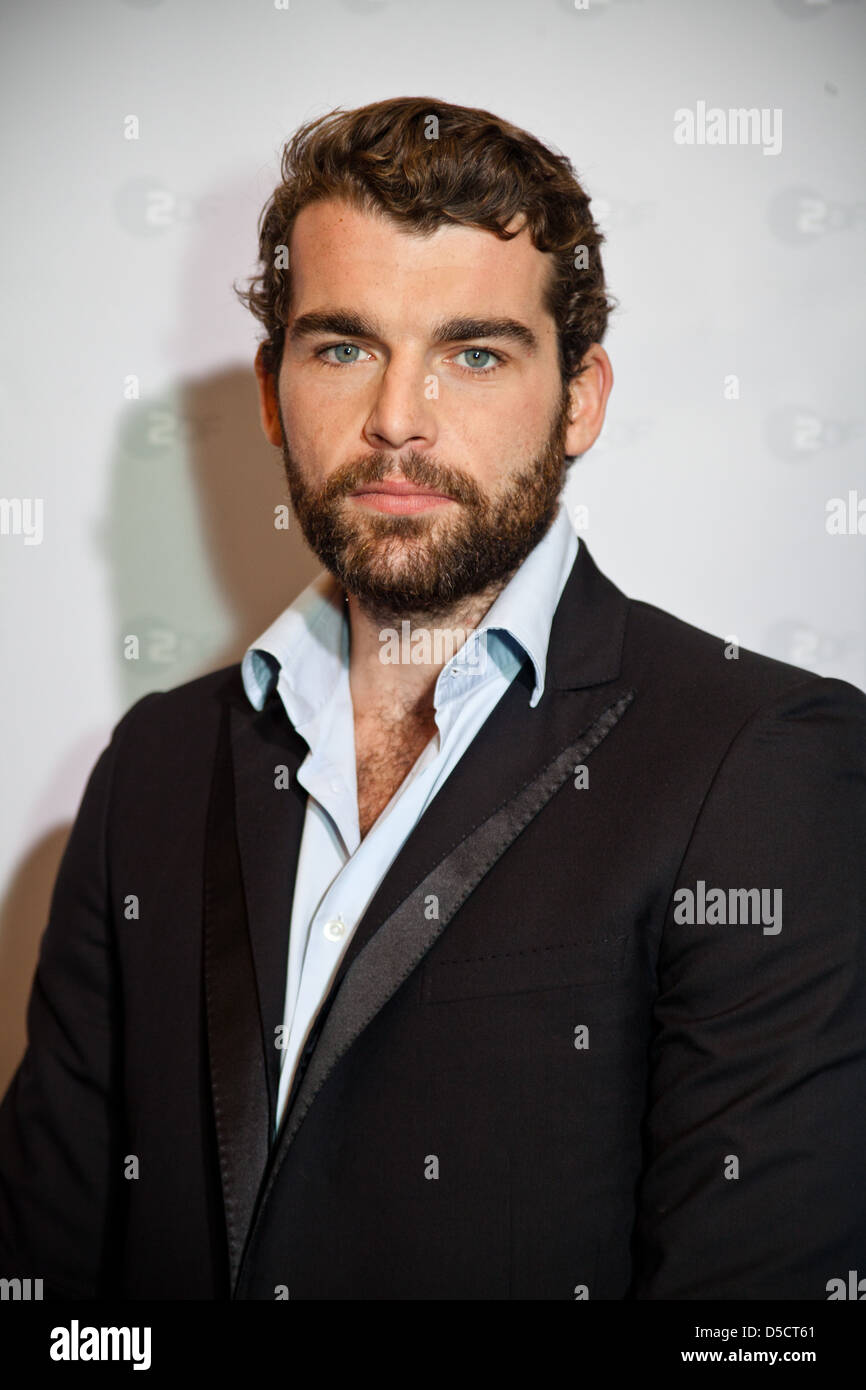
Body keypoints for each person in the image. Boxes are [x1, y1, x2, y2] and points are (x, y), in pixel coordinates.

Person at [1, 95, 864, 1301]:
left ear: (579, 398)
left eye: (474, 352)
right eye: (343, 346)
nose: (397, 418)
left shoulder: (762, 757)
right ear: (270, 387)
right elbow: (43, 1269)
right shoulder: (152, 764)